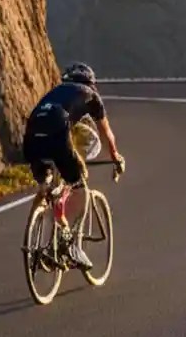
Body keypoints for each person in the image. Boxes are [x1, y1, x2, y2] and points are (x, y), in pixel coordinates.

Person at [22, 62, 125, 270]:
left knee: (49, 181)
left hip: (31, 134)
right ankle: (74, 246)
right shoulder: (91, 96)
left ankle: (46, 202)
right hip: (57, 131)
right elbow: (106, 135)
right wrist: (116, 157)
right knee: (80, 184)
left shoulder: (55, 93)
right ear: (91, 83)